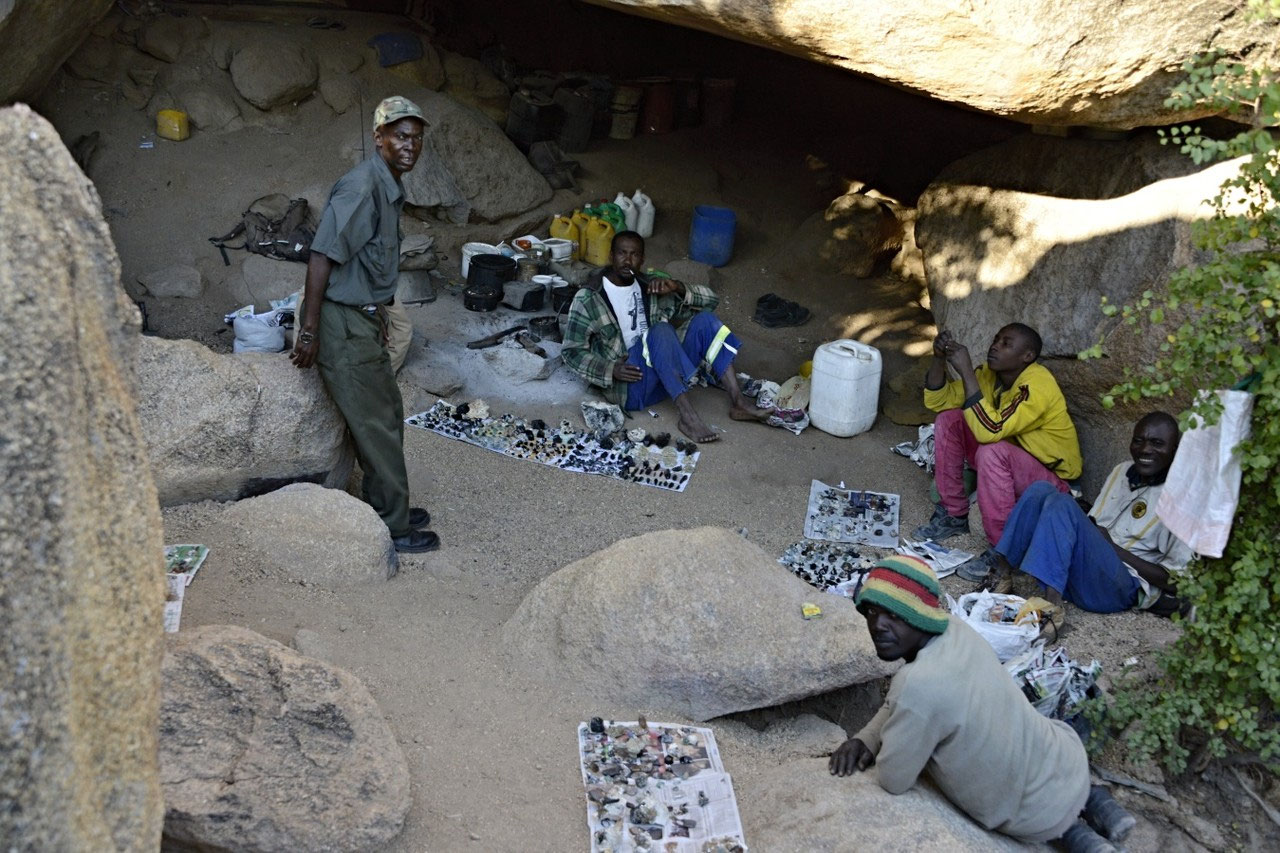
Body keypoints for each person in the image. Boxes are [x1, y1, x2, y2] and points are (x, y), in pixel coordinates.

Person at [829, 556, 1136, 852]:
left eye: (894, 615)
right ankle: (1095, 803)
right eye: (871, 612)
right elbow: (905, 700)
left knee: (1025, 803)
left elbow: (893, 778)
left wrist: (882, 744)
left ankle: (1071, 831)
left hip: (1033, 816)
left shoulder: (919, 684)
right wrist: (867, 738)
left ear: (918, 615)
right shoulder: (955, 629)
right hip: (1068, 760)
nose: (878, 626)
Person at [290, 96, 438, 553]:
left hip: (362, 318)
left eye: (415, 136)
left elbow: (372, 266)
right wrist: (310, 330)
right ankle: (393, 527)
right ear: (378, 138)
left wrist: (383, 316)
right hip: (342, 323)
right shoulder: (363, 187)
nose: (409, 144)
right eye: (399, 135)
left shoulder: (388, 184)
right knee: (377, 423)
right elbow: (321, 256)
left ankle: (383, 501)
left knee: (387, 412)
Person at [956, 412, 1194, 623]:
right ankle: (1001, 574)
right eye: (1139, 441)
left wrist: (1113, 549)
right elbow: (1094, 522)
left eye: (1157, 443)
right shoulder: (1122, 470)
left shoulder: (1182, 499)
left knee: (1062, 501)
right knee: (1041, 490)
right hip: (1082, 570)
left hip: (1116, 587)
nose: (1145, 450)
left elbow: (1177, 582)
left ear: (1175, 450)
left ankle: (1051, 609)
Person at [561, 231, 771, 443]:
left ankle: (738, 401)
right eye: (621, 253)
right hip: (631, 386)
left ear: (642, 259)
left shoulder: (650, 286)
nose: (627, 260)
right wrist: (610, 369)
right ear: (610, 256)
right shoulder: (589, 297)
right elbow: (571, 351)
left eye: (634, 255)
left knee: (706, 321)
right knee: (660, 330)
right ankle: (688, 416)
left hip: (663, 378)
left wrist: (678, 287)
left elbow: (710, 302)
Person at [913, 324, 1082, 546]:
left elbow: (989, 431)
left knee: (992, 450)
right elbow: (937, 401)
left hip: (1053, 483)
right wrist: (938, 359)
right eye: (996, 339)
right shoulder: (989, 375)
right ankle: (954, 514)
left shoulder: (1037, 385)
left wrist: (965, 371)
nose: (995, 347)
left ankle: (1003, 546)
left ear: (1027, 356)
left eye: (1006, 344)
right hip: (1009, 463)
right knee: (950, 419)